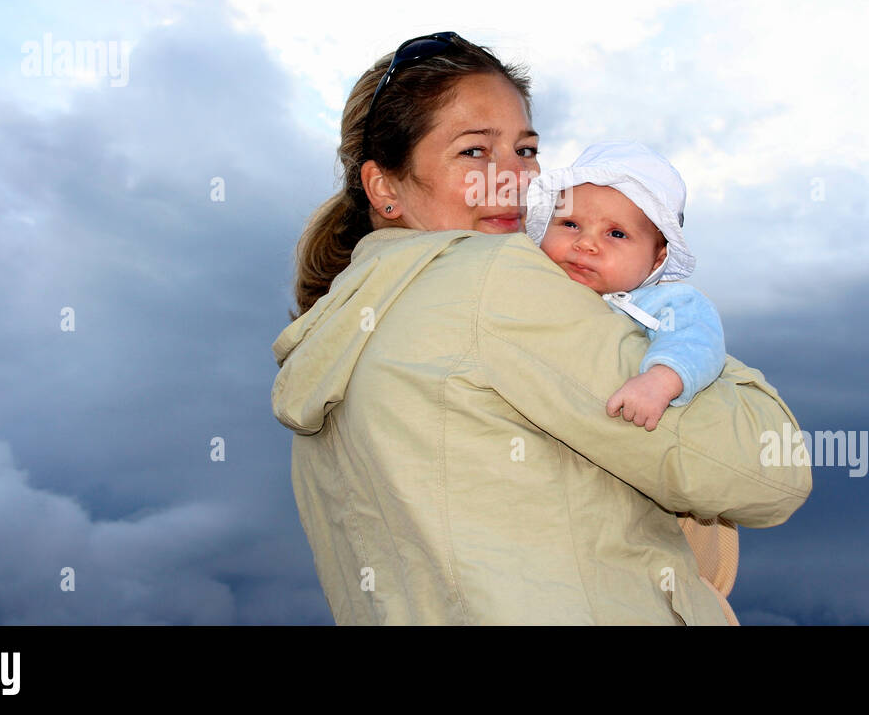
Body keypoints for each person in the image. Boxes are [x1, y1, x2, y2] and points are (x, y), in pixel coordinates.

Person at [271, 31, 812, 624]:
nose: (514, 180)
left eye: (525, 151)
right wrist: (670, 323)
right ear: (385, 187)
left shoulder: (335, 345)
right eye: (474, 153)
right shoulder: (492, 278)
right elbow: (770, 473)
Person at [524, 140, 744, 623]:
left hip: (641, 476)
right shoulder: (533, 287)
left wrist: (661, 379)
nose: (586, 244)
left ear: (657, 256)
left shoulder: (657, 302)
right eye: (570, 225)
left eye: (617, 234)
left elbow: (697, 338)